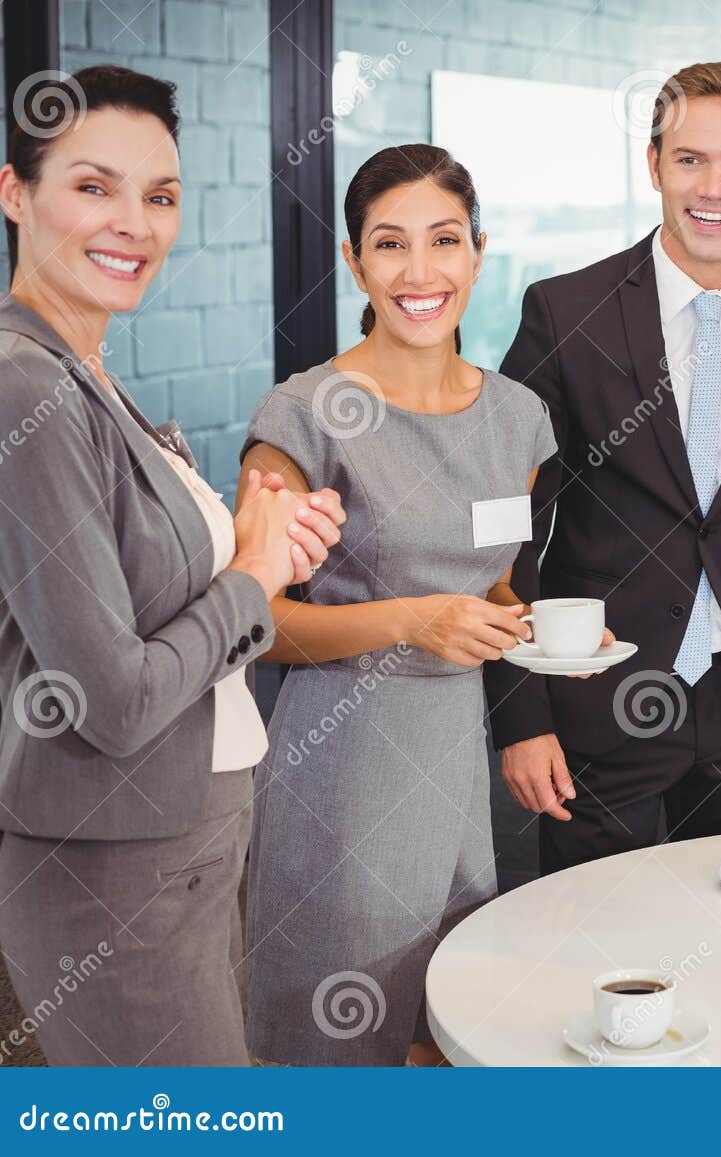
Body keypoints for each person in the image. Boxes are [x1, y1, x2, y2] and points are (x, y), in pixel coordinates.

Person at [0, 66, 340, 1065]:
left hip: (181, 840)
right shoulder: (28, 389)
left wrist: (252, 548)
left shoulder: (89, 375)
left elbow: (160, 620)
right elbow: (108, 696)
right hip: (115, 867)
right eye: (94, 187)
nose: (134, 224)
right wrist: (252, 578)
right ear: (14, 192)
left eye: (160, 196)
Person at [239, 145, 590, 1066]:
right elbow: (252, 618)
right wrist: (410, 618)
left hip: (455, 760)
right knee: (335, 1040)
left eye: (443, 240)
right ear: (355, 262)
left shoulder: (518, 417)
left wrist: (547, 631)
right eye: (390, 244)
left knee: (446, 1025)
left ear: (478, 251)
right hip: (341, 759)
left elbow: (493, 576)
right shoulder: (305, 413)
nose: (420, 271)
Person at [485, 62, 721, 875]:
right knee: (590, 944)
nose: (715, 186)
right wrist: (521, 713)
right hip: (600, 691)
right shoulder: (566, 312)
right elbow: (510, 519)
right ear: (654, 164)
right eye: (691, 158)